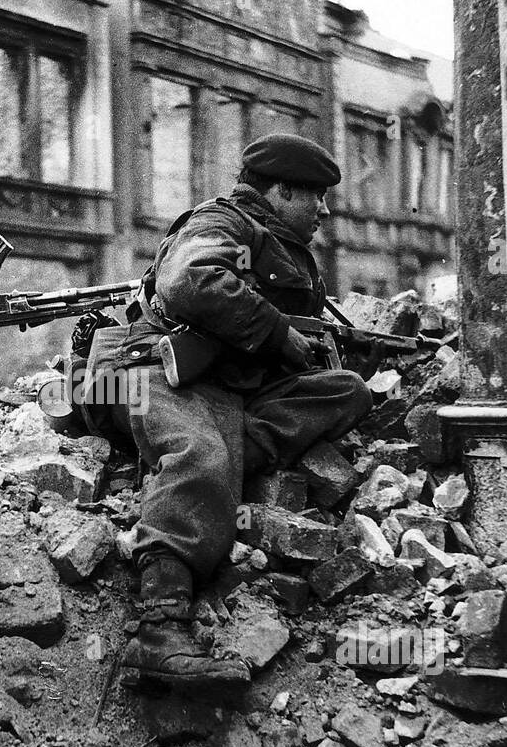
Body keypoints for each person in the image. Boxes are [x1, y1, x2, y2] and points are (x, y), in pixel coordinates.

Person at [106, 133, 377, 687]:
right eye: (315, 197)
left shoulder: (285, 246)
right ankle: (157, 631)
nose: (324, 211)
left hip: (229, 385)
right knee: (199, 452)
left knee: (345, 390)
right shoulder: (221, 224)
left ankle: (223, 462)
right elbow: (190, 279)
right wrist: (276, 332)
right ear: (279, 191)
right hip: (158, 370)